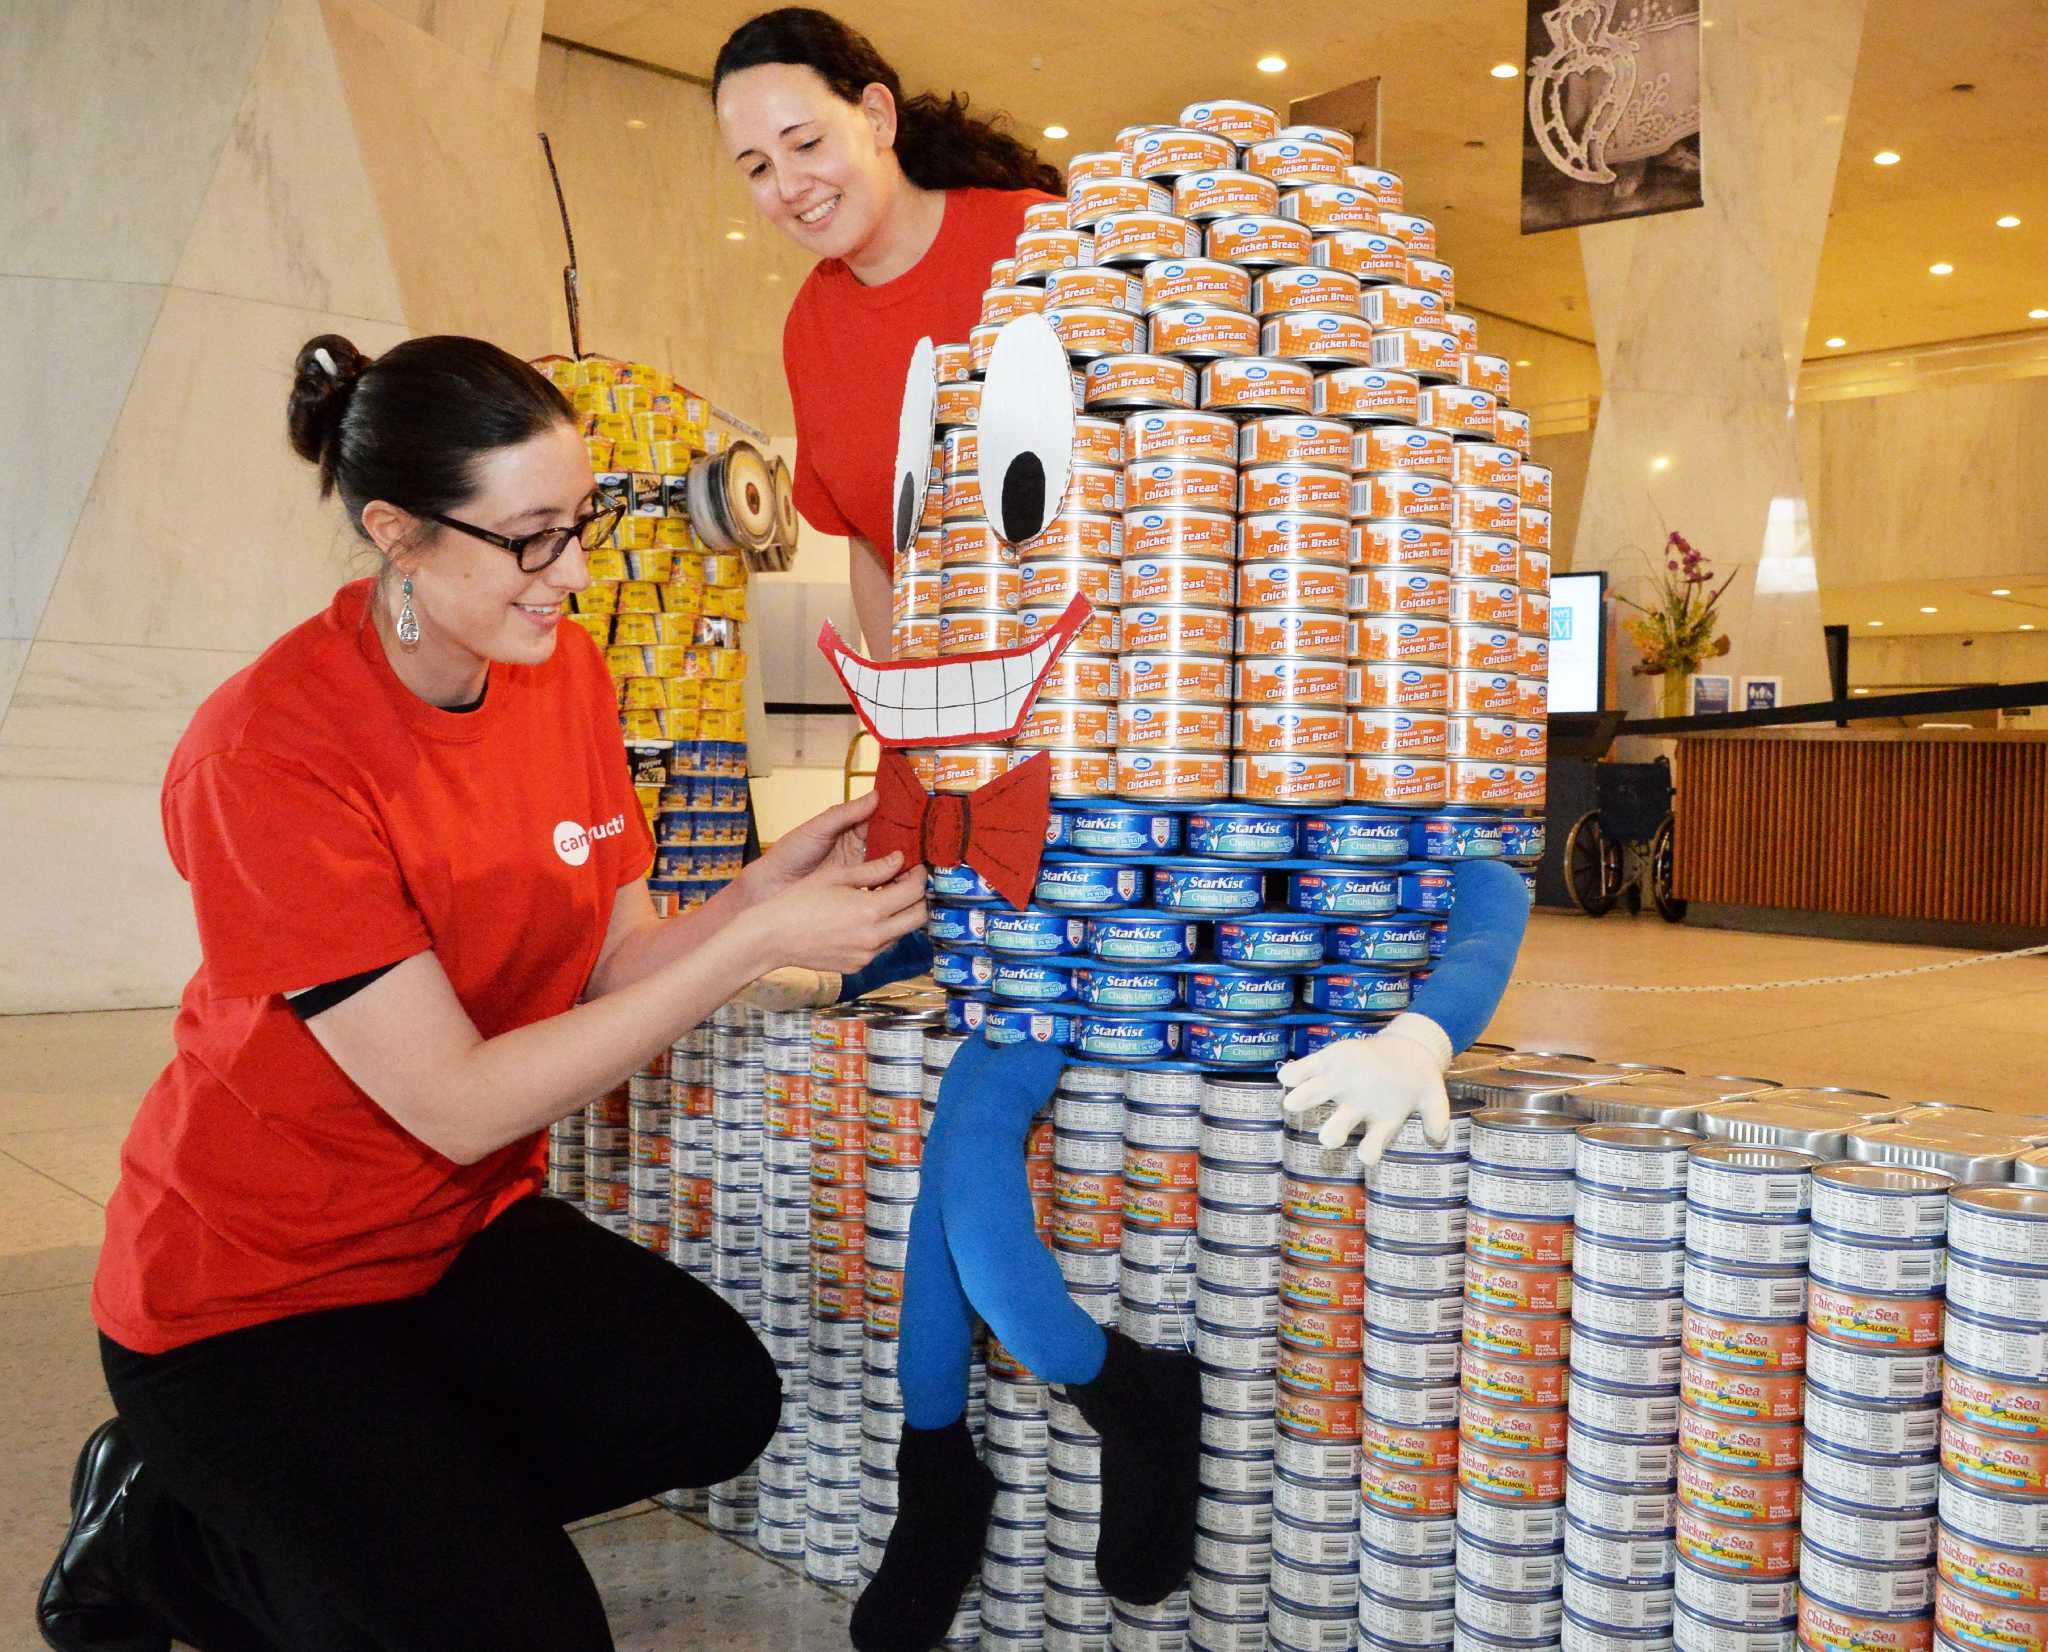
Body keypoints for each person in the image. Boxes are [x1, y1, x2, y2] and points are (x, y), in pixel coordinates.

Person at [36, 332, 932, 1652]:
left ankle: (377, 1520)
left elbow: (614, 963)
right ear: (398, 534)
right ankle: (170, 1532)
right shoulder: (268, 752)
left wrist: (757, 896)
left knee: (708, 1401)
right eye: (528, 541)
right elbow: (453, 1104)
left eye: (579, 523)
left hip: (442, 1240)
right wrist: (754, 949)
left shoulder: (558, 672)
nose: (572, 573)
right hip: (243, 1298)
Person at [712, 6, 1062, 657]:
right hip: (943, 716)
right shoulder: (809, 331)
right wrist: (900, 715)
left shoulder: (1041, 241)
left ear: (876, 116)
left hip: (1103, 708)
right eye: (757, 168)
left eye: (806, 143)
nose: (789, 186)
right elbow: (874, 547)